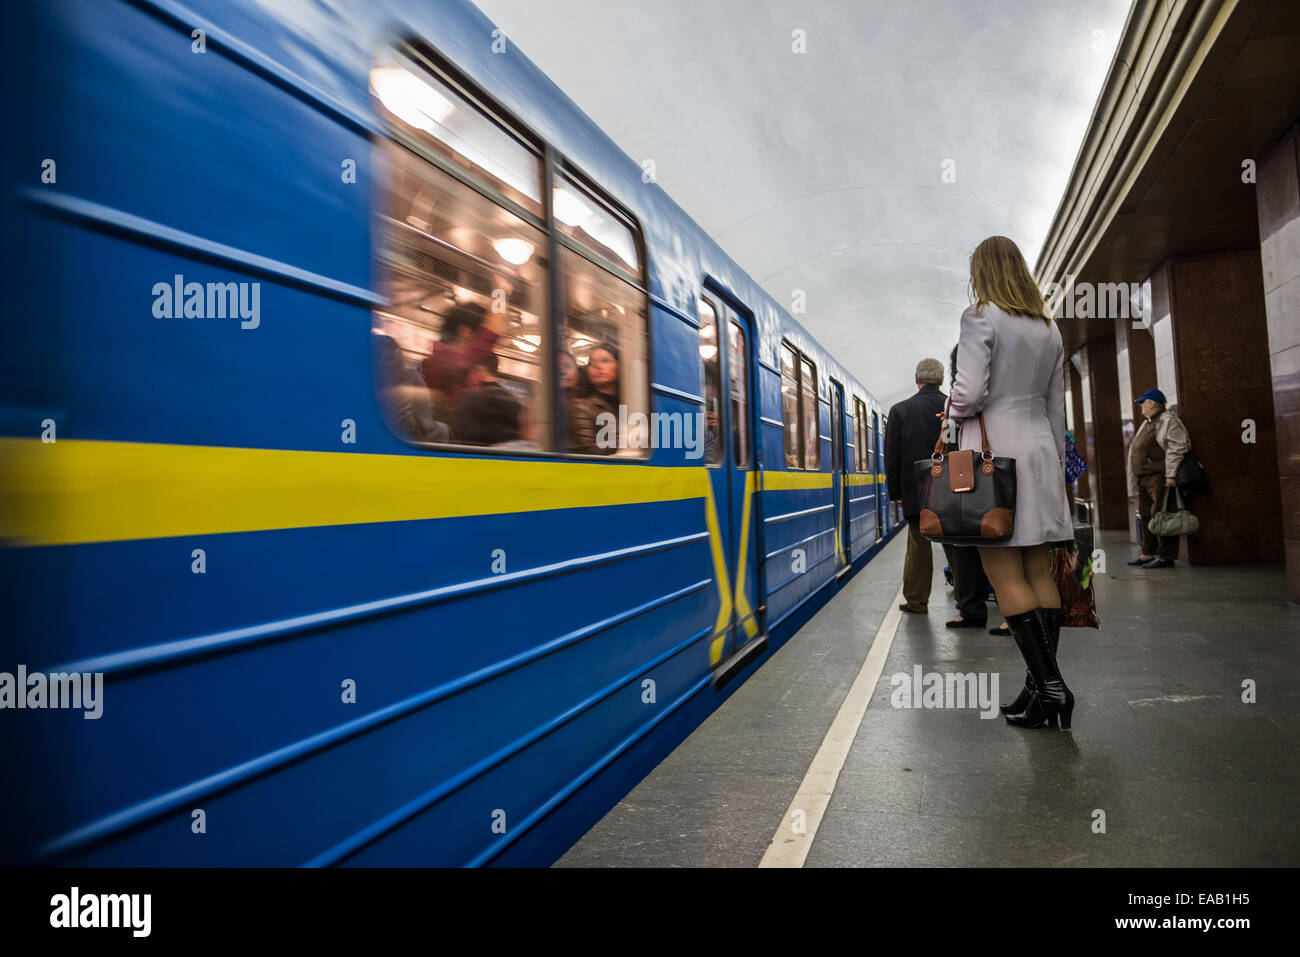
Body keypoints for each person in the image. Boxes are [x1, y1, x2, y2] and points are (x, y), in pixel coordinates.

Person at [948, 236, 1074, 730]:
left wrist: (950, 414)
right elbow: (1056, 404)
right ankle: (1039, 690)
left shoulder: (980, 316)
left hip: (994, 457)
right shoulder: (1048, 326)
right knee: (1039, 572)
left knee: (1005, 576)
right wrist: (1056, 461)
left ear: (981, 272)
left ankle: (1052, 688)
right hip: (1040, 450)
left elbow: (970, 393)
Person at [884, 358, 948, 614]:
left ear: (916, 379)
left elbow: (893, 456)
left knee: (918, 547)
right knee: (956, 544)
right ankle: (968, 603)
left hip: (916, 490)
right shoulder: (953, 408)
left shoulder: (900, 410)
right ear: (941, 380)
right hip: (952, 488)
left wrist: (896, 492)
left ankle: (917, 601)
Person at [940, 343, 994, 632]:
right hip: (999, 475)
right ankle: (1013, 610)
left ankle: (972, 609)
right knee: (1004, 541)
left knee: (967, 543)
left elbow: (950, 442)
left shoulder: (956, 400)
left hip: (967, 478)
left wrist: (947, 425)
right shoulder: (1005, 391)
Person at [1125, 388, 1191, 569]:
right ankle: (1148, 553)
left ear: (1152, 403)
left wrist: (1170, 474)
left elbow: (1177, 447)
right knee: (1146, 515)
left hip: (1159, 476)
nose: (1141, 406)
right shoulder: (1148, 422)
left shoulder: (1168, 420)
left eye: (1143, 403)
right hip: (1144, 477)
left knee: (1162, 515)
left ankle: (1165, 557)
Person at [420, 301, 507, 413]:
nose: (484, 346)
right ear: (465, 331)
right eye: (480, 334)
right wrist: (501, 293)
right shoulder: (448, 360)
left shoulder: (447, 360)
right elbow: (489, 337)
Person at [373, 332, 450, 443]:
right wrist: (441, 431)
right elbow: (398, 422)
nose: (433, 340)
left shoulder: (408, 360)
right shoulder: (388, 348)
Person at [569, 343, 620, 455]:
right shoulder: (581, 407)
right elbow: (590, 449)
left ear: (619, 366)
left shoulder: (633, 403)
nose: (598, 366)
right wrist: (627, 443)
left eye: (605, 360)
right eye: (592, 364)